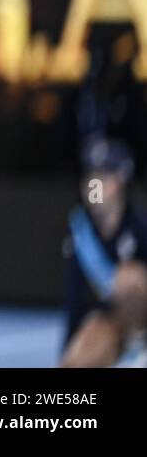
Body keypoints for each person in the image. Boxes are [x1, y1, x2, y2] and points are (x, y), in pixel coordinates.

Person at [60, 135, 147, 367]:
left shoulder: (140, 224)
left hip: (142, 317)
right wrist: (69, 349)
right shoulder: (80, 230)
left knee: (129, 278)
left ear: (120, 181)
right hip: (110, 319)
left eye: (102, 178)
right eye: (90, 177)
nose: (93, 185)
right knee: (74, 363)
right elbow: (75, 298)